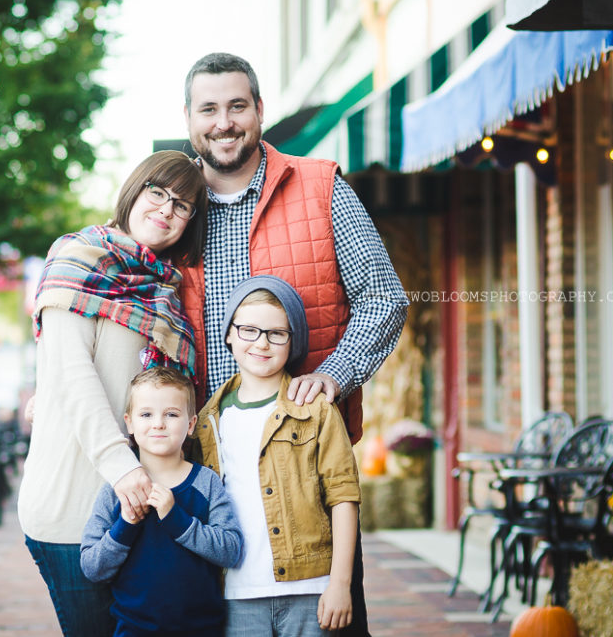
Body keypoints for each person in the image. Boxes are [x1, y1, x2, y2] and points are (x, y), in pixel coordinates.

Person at [179, 52, 409, 637]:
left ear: (259, 109)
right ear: (189, 120)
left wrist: (335, 375)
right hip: (204, 468)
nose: (223, 122)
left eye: (236, 105)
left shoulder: (318, 184)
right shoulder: (171, 206)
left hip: (305, 465)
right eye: (208, 108)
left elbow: (384, 297)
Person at [18, 150, 209, 637]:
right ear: (134, 191)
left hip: (138, 508)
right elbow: (74, 376)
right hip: (76, 507)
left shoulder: (162, 287)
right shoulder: (79, 258)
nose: (166, 210)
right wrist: (123, 468)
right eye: (157, 193)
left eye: (182, 206)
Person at [193, 275, 361, 636]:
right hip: (236, 591)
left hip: (309, 588)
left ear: (292, 341)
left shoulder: (314, 408)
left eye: (277, 333)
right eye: (249, 330)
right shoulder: (208, 419)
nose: (262, 343)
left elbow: (344, 496)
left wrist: (340, 584)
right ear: (229, 335)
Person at [81, 367, 243, 637]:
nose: (158, 423)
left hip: (202, 629)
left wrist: (177, 520)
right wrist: (127, 523)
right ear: (129, 422)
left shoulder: (206, 482)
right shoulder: (116, 490)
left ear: (190, 424)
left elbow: (231, 550)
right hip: (134, 630)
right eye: (146, 414)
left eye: (171, 414)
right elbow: (92, 567)